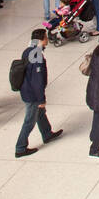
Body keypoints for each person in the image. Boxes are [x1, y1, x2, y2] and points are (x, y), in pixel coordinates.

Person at [14, 28, 63, 157]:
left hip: (26, 89)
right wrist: (41, 99)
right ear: (42, 39)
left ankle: (47, 134)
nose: (47, 40)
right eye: (46, 38)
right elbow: (37, 80)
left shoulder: (28, 50)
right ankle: (20, 148)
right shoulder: (37, 55)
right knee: (30, 120)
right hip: (32, 94)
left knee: (40, 114)